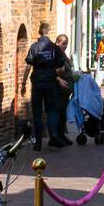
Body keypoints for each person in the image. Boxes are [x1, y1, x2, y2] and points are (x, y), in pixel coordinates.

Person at [23, 21, 68, 150]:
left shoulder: (34, 47)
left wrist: (23, 82)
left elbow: (28, 66)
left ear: (39, 31)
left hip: (37, 82)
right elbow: (62, 65)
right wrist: (55, 72)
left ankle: (38, 143)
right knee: (51, 110)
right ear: (48, 31)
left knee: (37, 112)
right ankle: (53, 134)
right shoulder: (54, 48)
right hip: (50, 81)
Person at [52, 34, 75, 143]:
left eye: (66, 44)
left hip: (66, 89)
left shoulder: (62, 53)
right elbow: (52, 70)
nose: (65, 46)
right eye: (63, 43)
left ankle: (61, 135)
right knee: (59, 112)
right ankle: (56, 136)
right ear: (57, 42)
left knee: (63, 113)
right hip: (59, 89)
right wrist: (58, 78)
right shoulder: (55, 53)